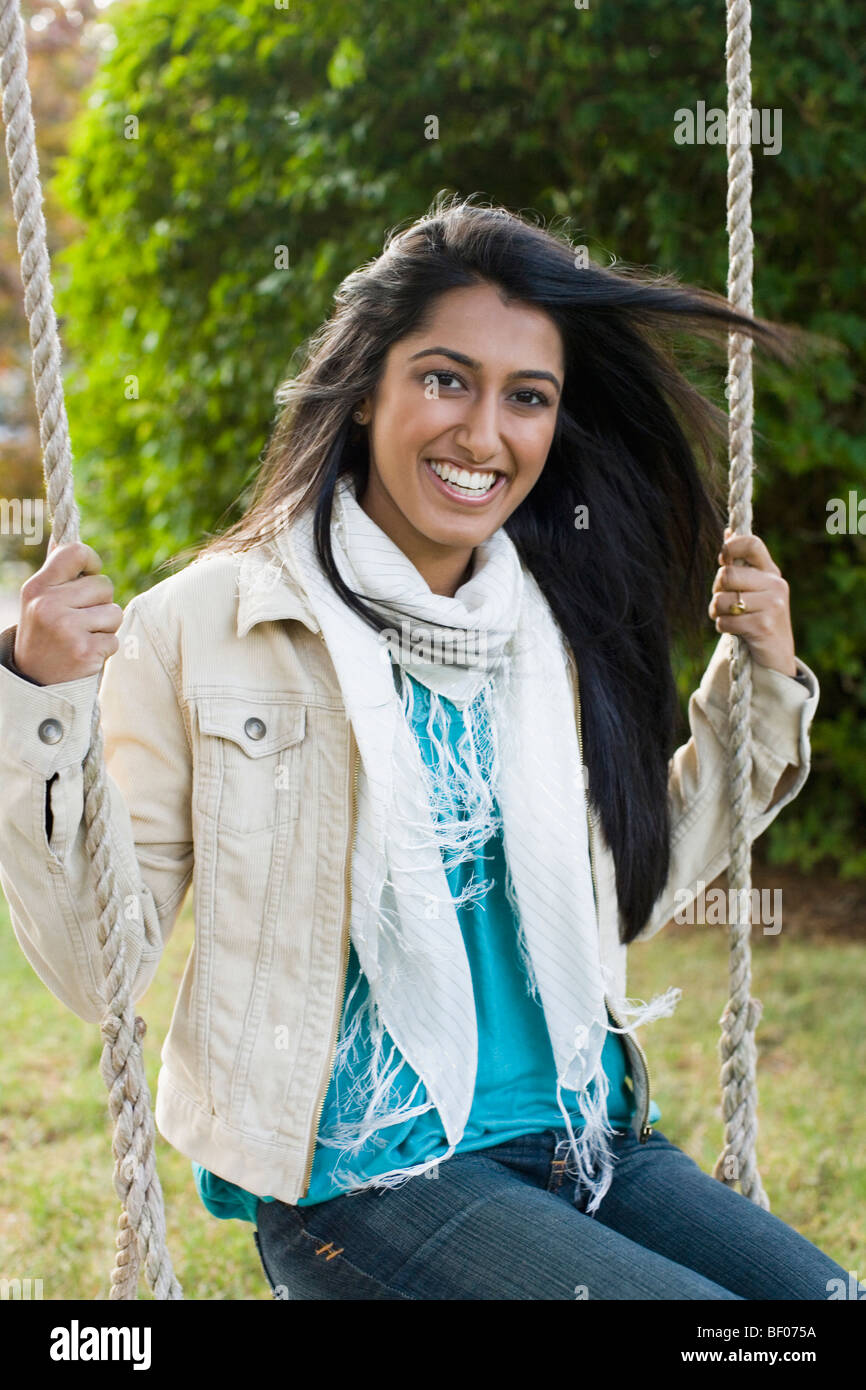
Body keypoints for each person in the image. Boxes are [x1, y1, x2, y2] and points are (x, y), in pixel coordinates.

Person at [0, 194, 850, 1301]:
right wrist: (38, 698)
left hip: (588, 1142)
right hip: (370, 1182)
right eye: (445, 379)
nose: (482, 433)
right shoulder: (204, 626)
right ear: (364, 392)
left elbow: (627, 882)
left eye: (526, 397)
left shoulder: (544, 624)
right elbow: (99, 965)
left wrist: (762, 687)